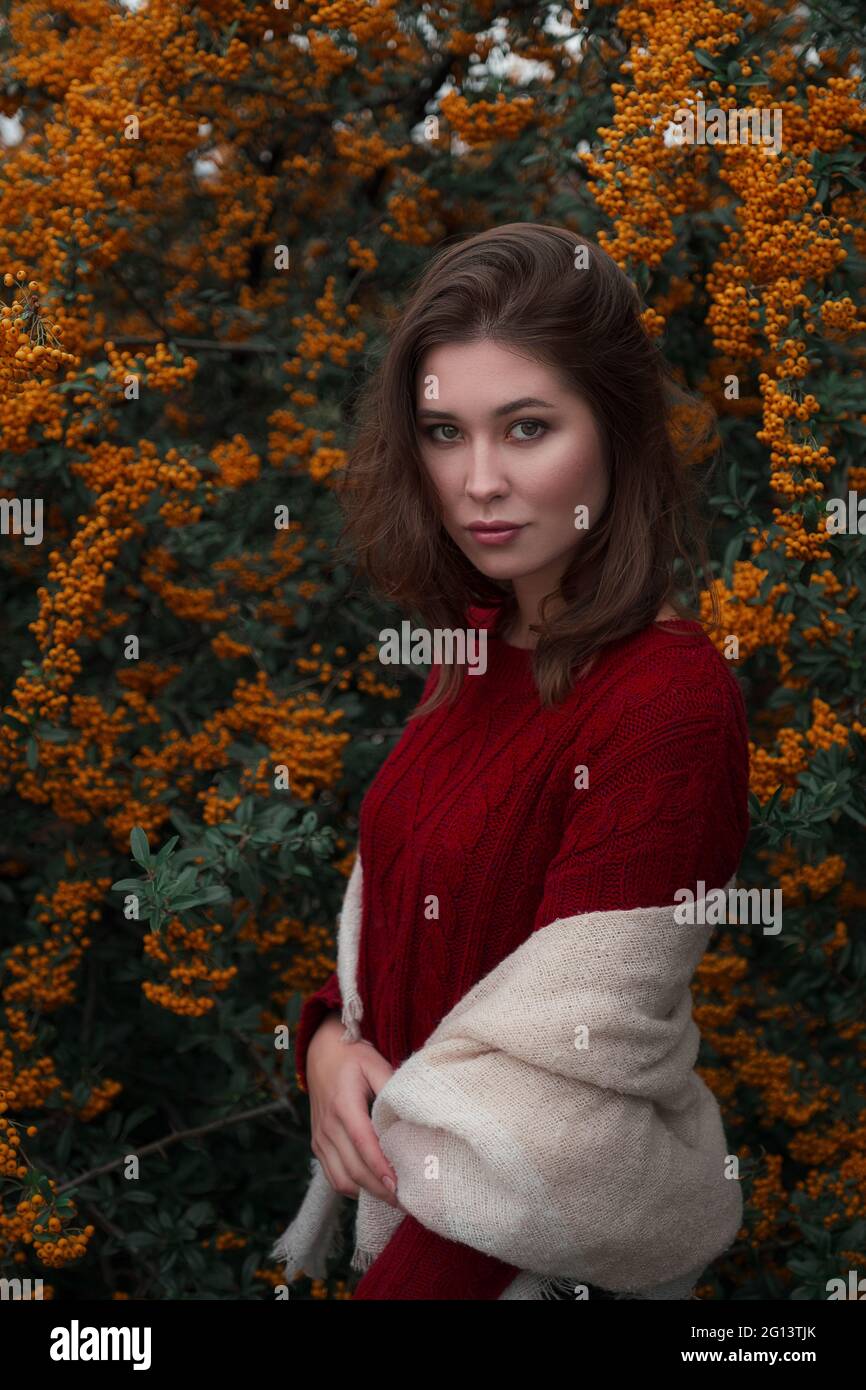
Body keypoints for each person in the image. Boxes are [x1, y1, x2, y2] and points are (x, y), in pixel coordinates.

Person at [293, 223, 750, 1300]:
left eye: (527, 427)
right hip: (417, 1219)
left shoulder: (665, 701)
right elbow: (431, 913)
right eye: (444, 432)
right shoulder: (474, 648)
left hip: (518, 1260)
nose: (478, 481)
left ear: (615, 434)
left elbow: (557, 1102)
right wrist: (320, 1040)